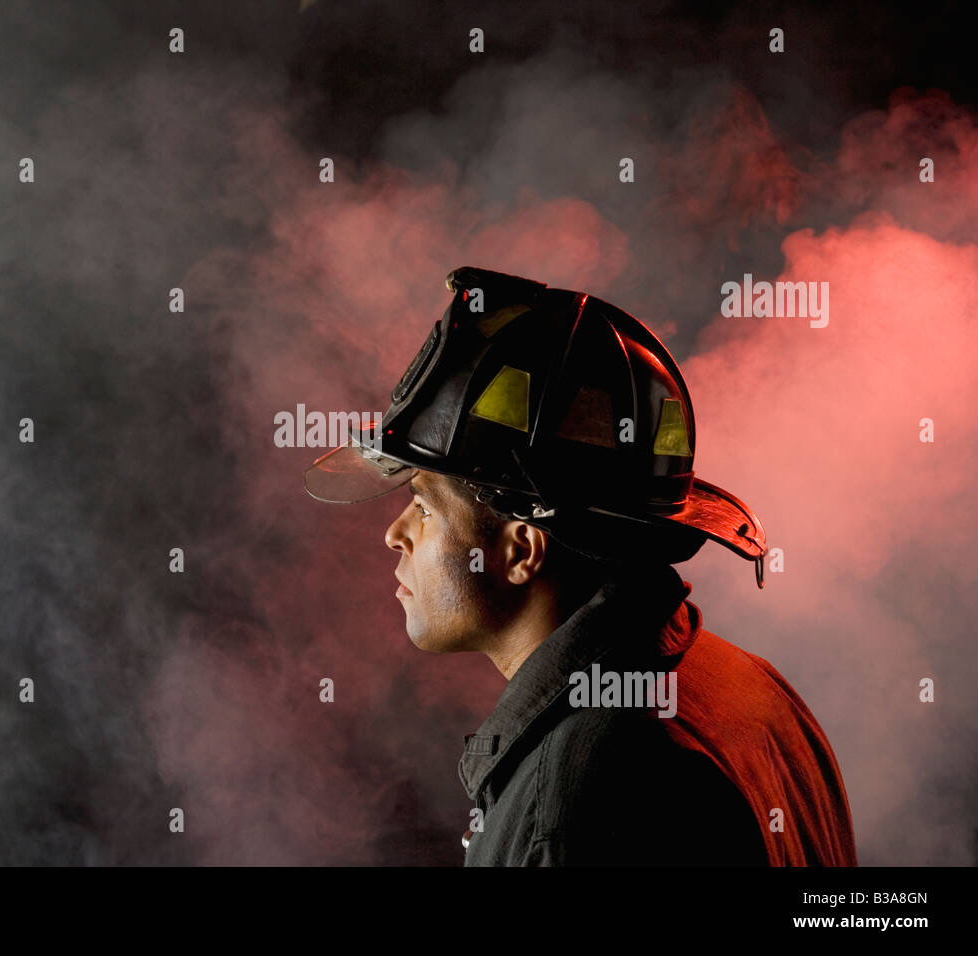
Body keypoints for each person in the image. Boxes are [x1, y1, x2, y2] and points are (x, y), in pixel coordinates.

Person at [304, 266, 857, 866]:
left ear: (521, 548)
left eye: (423, 505)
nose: (394, 535)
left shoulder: (576, 812)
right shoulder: (747, 685)